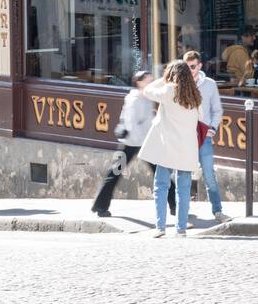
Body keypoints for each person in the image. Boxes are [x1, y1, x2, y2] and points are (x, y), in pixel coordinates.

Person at [91, 71, 173, 219]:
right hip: (132, 143)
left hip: (144, 142)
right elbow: (131, 123)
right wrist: (144, 142)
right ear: (139, 83)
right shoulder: (133, 99)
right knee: (115, 173)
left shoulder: (147, 98)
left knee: (161, 172)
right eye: (148, 81)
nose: (151, 84)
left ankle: (175, 205)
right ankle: (100, 206)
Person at [137, 60, 201, 237]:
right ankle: (180, 229)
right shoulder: (194, 94)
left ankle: (160, 227)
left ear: (171, 75)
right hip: (187, 148)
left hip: (167, 147)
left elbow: (148, 91)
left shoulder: (169, 90)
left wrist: (163, 79)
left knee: (161, 186)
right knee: (184, 189)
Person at [184, 50, 229, 224]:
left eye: (192, 67)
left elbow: (217, 109)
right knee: (184, 175)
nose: (189, 70)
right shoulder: (180, 83)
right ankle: (184, 214)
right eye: (186, 67)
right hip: (185, 135)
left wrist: (213, 128)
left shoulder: (209, 84)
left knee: (209, 174)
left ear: (200, 66)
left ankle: (218, 211)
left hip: (204, 135)